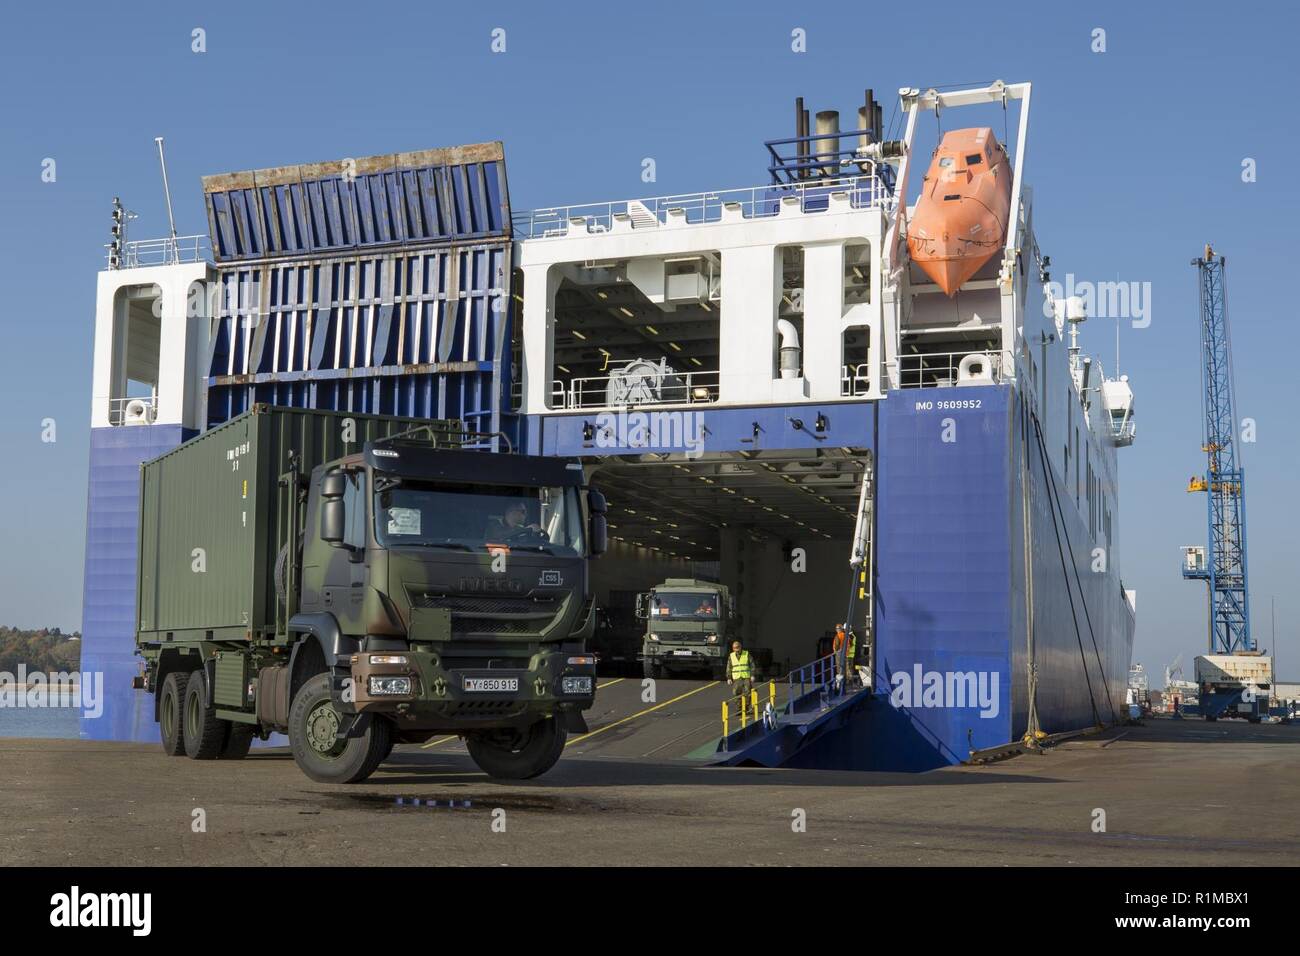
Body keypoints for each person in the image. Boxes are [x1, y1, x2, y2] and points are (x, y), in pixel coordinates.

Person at [727, 640, 754, 710]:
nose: (736, 649)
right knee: (736, 693)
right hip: (737, 678)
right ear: (733, 648)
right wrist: (729, 678)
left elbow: (752, 665)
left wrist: (752, 675)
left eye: (737, 647)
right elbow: (729, 667)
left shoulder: (746, 654)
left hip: (746, 677)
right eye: (734, 648)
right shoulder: (731, 656)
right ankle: (739, 708)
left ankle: (746, 707)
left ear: (740, 647)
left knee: (747, 692)